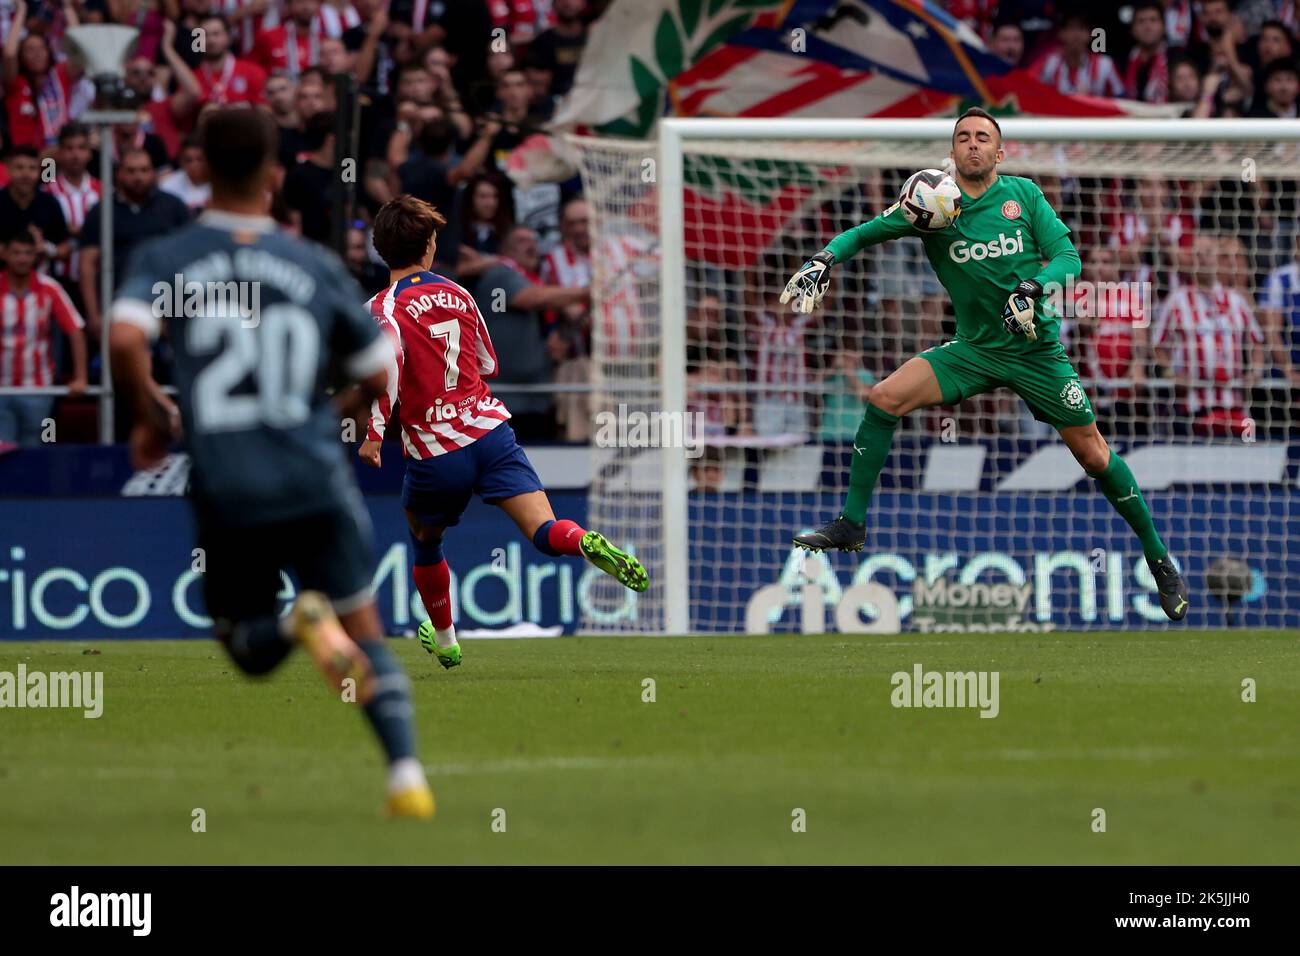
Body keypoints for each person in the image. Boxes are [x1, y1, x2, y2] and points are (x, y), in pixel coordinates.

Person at [107, 108, 433, 819]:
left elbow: (127, 339)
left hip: (228, 483)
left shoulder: (168, 257)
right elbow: (382, 378)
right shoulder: (310, 263)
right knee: (368, 630)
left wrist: (152, 420)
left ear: (199, 166)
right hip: (315, 475)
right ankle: (406, 773)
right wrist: (330, 420)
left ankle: (294, 623)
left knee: (250, 654)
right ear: (274, 173)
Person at [782, 107, 1189, 622]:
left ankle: (1158, 558)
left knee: (1094, 456)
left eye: (982, 138)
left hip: (1036, 350)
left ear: (999, 152)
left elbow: (1069, 260)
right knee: (884, 396)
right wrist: (824, 259)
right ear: (951, 151)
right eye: (963, 137)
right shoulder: (931, 202)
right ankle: (851, 524)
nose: (972, 144)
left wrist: (1031, 287)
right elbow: (863, 233)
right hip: (974, 350)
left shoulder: (1022, 195)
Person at [357, 195, 647, 668]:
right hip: (491, 431)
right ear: (429, 247)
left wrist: (373, 432)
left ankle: (447, 640)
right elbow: (488, 362)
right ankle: (583, 542)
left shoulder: (381, 308)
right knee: (544, 529)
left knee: (427, 542)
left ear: (380, 249)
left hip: (437, 449)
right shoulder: (459, 293)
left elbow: (387, 368)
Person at [0, 227, 88, 445]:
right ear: (4, 253)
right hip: (0, 389)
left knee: (38, 453)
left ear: (35, 256)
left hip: (39, 389)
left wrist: (81, 377)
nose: (22, 259)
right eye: (16, 253)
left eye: (28, 253)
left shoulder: (49, 288)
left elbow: (75, 330)